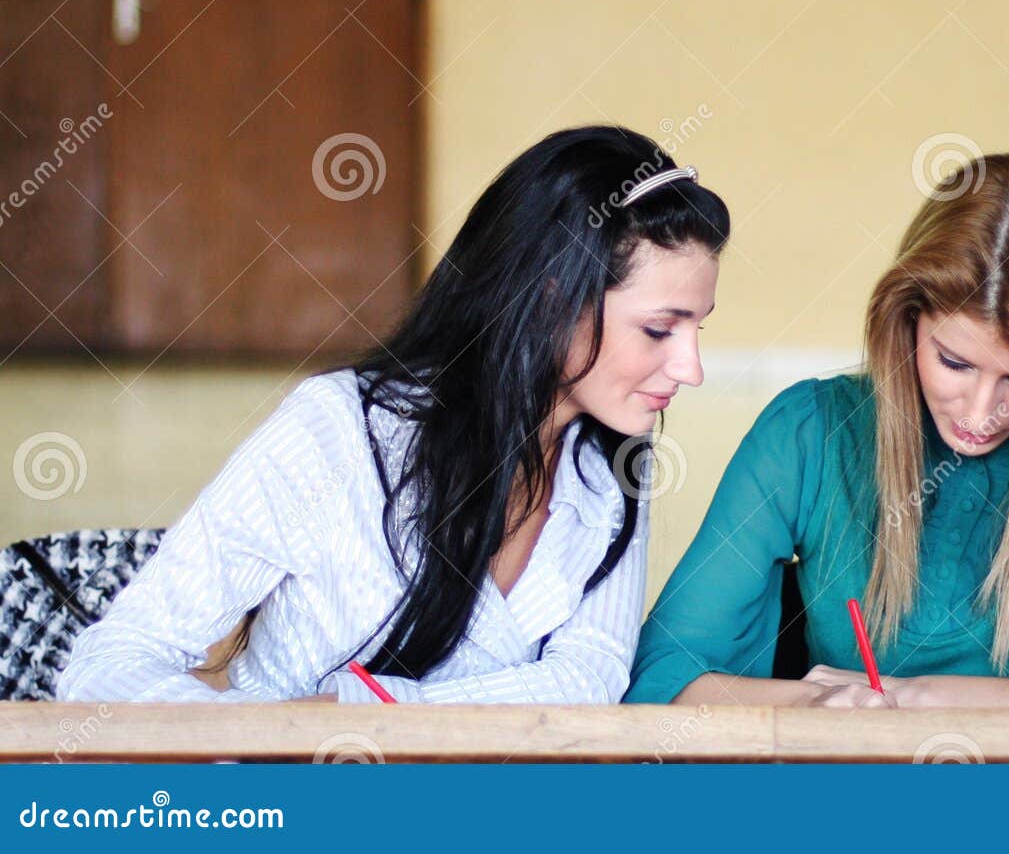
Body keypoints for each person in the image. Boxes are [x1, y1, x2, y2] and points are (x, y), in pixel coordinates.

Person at [59, 125, 729, 703]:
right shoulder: (336, 432)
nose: (690, 368)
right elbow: (110, 664)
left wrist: (364, 708)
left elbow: (588, 679)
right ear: (553, 299)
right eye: (659, 329)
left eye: (696, 328)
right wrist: (265, 747)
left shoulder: (609, 471)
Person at [625, 151, 1009, 708]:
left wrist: (924, 700)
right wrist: (819, 703)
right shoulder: (808, 432)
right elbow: (663, 677)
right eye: (954, 363)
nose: (981, 411)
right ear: (905, 321)